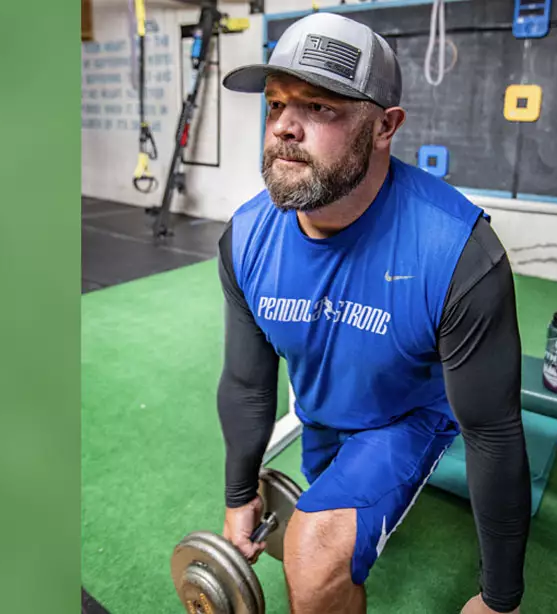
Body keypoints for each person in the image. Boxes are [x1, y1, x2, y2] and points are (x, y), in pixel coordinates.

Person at [215, 12, 530, 614]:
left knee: (310, 553)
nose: (284, 127)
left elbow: (492, 432)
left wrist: (499, 599)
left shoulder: (457, 251)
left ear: (385, 127)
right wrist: (238, 493)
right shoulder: (247, 239)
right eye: (277, 105)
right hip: (325, 412)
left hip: (408, 415)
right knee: (322, 505)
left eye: (320, 108)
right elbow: (247, 382)